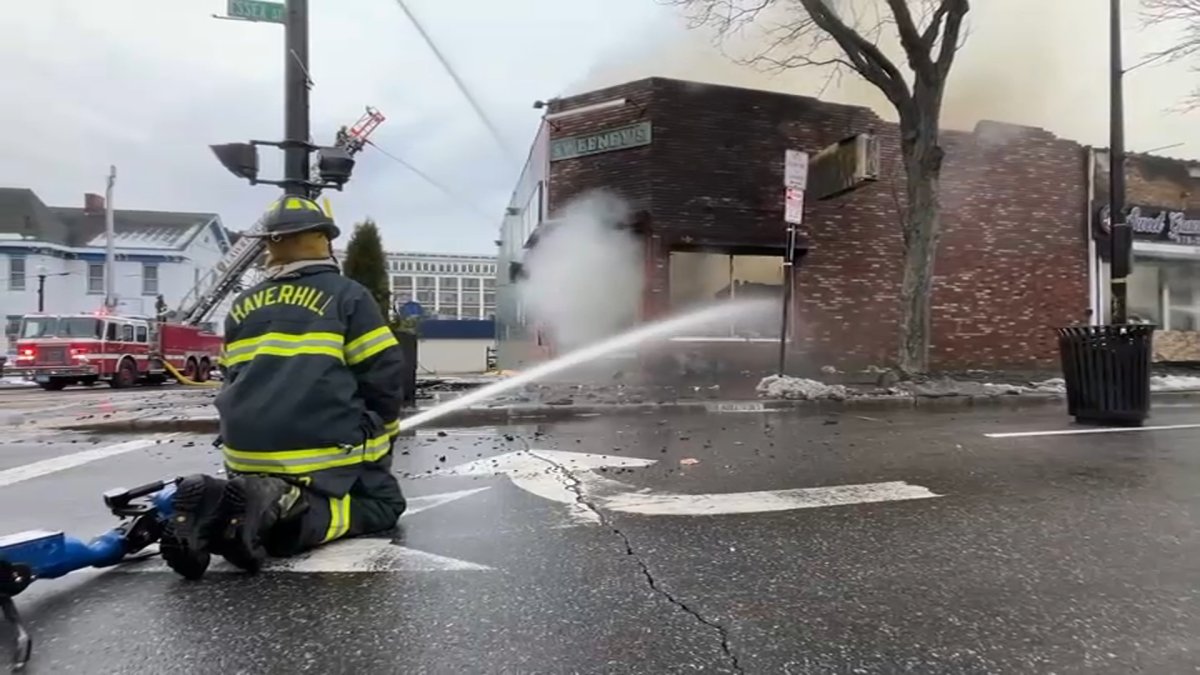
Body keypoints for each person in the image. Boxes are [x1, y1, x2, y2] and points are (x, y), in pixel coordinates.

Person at [160, 194, 408, 579]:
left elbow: (231, 375)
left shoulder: (243, 305)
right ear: (324, 240)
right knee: (383, 505)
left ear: (271, 246)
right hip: (318, 450)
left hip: (243, 454)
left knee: (246, 501)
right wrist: (379, 432)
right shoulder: (348, 296)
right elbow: (385, 373)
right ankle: (285, 510)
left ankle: (212, 504)